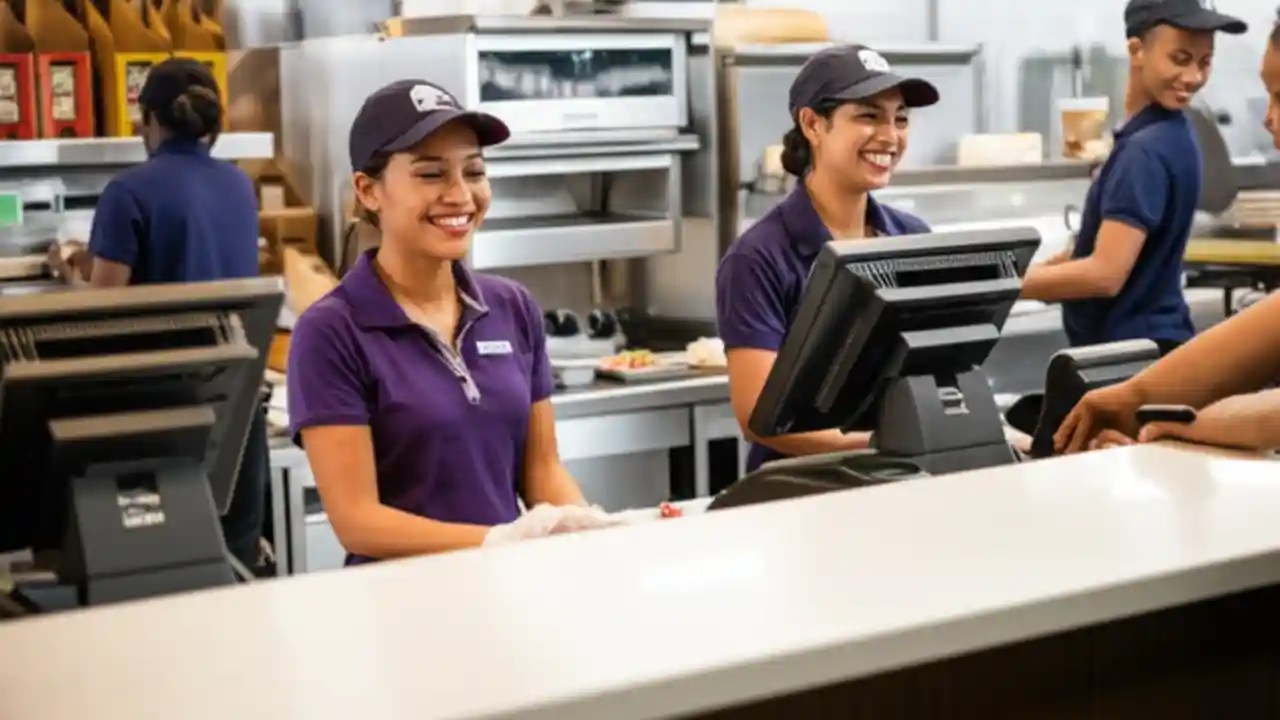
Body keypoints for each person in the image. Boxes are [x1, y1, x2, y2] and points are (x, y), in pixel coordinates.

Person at [286, 80, 609, 564]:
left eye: (474, 171)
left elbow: (542, 472)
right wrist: (494, 541)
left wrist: (590, 531)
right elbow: (358, 522)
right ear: (368, 190)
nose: (460, 195)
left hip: (508, 590)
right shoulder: (331, 332)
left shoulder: (513, 308)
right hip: (398, 604)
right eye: (431, 174)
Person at [45, 58, 269, 571]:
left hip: (162, 416)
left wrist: (66, 271)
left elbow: (104, 308)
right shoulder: (239, 186)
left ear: (148, 119)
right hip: (237, 406)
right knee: (230, 566)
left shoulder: (129, 191)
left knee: (159, 573)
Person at [1054, 18, 1280, 455]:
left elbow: (1106, 273)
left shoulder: (1150, 148)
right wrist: (1135, 398)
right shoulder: (1156, 140)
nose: (1269, 118)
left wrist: (1179, 427)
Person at [715, 44, 939, 472]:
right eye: (869, 116)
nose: (890, 136)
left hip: (902, 477)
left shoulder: (913, 238)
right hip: (799, 494)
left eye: (901, 118)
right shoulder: (757, 258)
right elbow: (761, 420)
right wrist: (886, 445)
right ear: (813, 124)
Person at [1020, 0, 1247, 356]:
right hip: (1153, 347)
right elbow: (1106, 252)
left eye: (1205, 62)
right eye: (1181, 59)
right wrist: (1042, 272)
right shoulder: (1170, 133)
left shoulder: (1146, 149)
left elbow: (1104, 274)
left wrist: (1003, 287)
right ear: (1136, 50)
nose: (1194, 78)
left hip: (1128, 357)